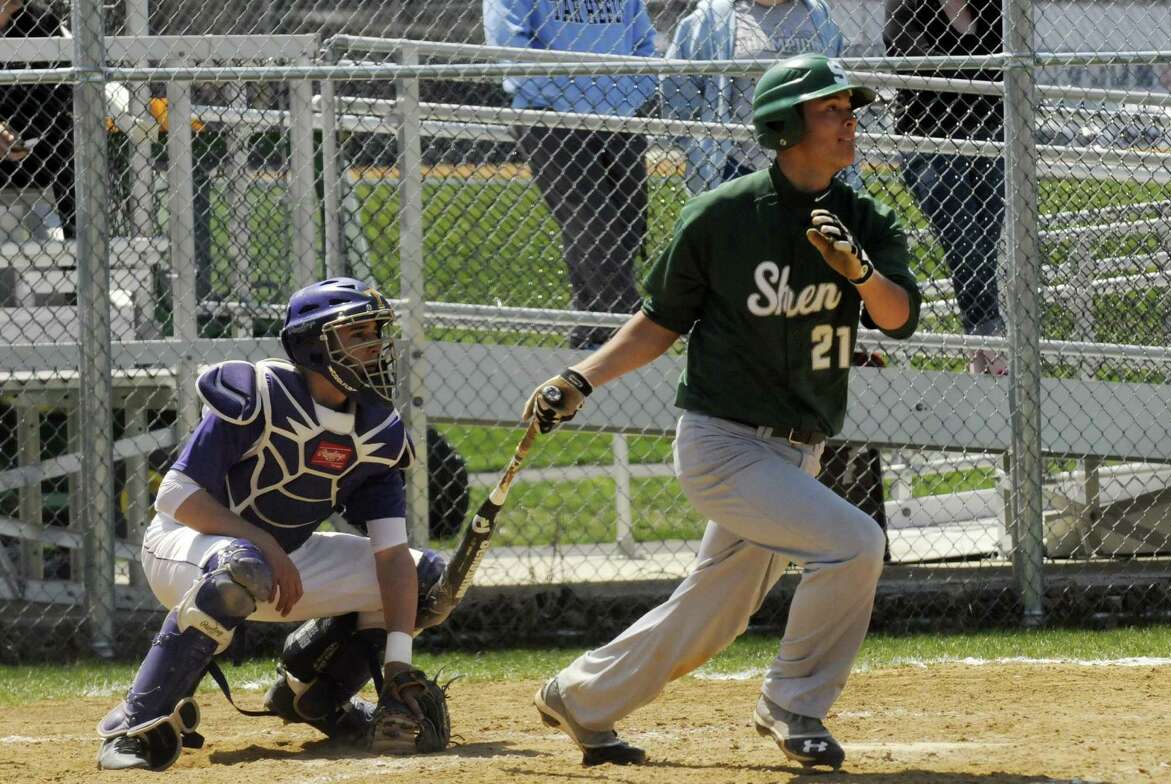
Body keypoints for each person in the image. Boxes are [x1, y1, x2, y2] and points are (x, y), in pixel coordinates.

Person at [523, 54, 921, 770]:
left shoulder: (861, 217)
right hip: (723, 444)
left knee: (717, 610)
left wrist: (855, 270)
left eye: (848, 110)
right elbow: (658, 322)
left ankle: (581, 697)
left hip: (800, 452)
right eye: (830, 110)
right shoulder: (721, 217)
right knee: (855, 543)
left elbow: (897, 318)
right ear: (783, 125)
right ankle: (794, 703)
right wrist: (580, 377)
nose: (849, 122)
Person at [96, 278, 450, 771]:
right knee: (241, 567)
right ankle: (134, 725)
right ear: (312, 345)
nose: (376, 347)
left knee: (429, 579)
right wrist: (265, 544)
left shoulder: (379, 432)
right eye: (359, 334)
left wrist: (397, 662)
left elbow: (391, 557)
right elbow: (176, 497)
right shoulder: (258, 393)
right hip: (186, 547)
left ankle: (314, 695)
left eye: (377, 334)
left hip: (282, 560)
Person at [483, 0, 657, 349]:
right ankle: (633, 335)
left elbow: (645, 43)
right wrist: (574, 94)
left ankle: (589, 338)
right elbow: (511, 48)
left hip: (621, 116)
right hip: (550, 117)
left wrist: (628, 93)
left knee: (629, 225)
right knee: (594, 223)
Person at [884, 0, 1006, 374]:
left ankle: (980, 350)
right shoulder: (904, 6)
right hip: (928, 142)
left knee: (986, 235)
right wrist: (977, 62)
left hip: (990, 136)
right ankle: (987, 330)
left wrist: (968, 66)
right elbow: (923, 63)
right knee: (962, 232)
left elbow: (1002, 64)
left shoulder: (995, 6)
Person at [662, 0, 847, 194]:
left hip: (812, 165)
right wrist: (699, 146)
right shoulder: (714, 15)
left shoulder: (818, 13)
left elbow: (840, 83)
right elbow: (676, 84)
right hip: (735, 167)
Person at [0, 0, 75, 240]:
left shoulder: (39, 19)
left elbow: (60, 92)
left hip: (37, 154)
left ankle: (73, 250)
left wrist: (21, 136)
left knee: (66, 135)